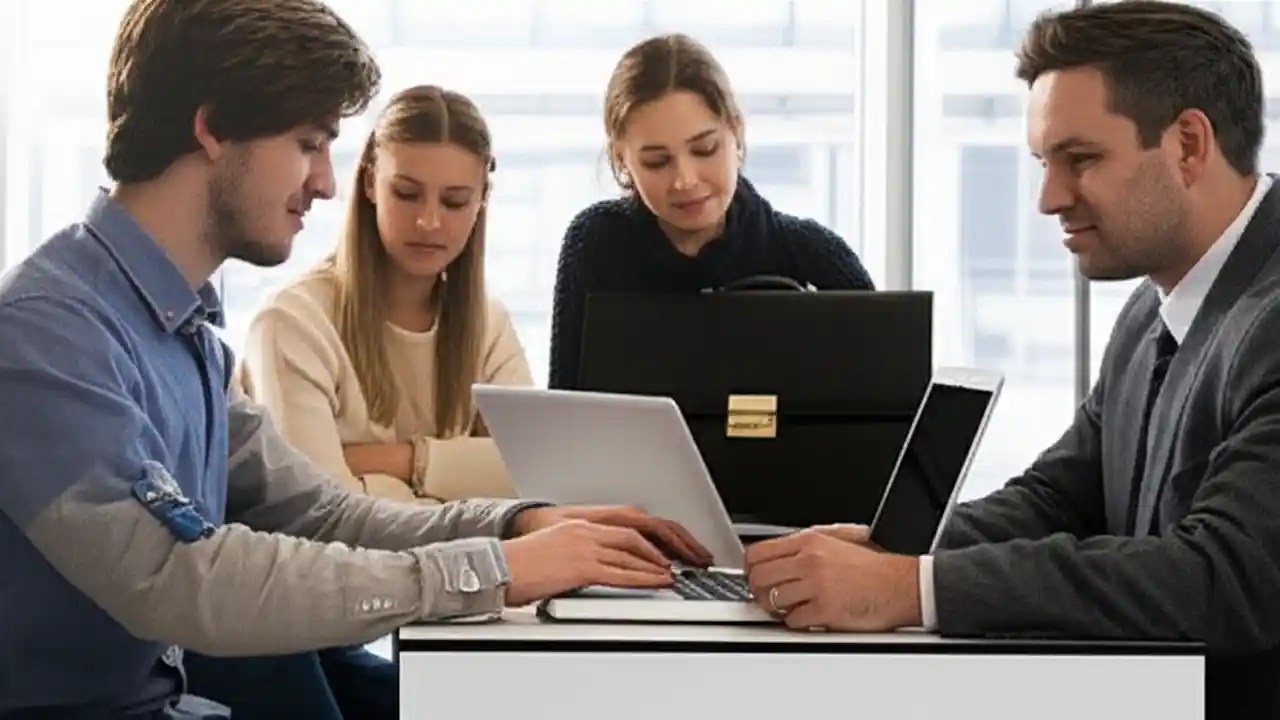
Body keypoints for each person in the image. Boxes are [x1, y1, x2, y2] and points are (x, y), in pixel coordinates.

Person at [0, 2, 711, 718]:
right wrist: (488, 572)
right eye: (309, 143)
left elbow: (321, 513)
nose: (327, 183)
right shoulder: (49, 333)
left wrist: (519, 526)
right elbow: (180, 578)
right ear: (212, 127)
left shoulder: (183, 337)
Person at [742, 2, 1280, 715]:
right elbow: (1062, 495)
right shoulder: (1154, 307)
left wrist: (910, 589)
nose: (1049, 198)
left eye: (1080, 159)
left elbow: (1224, 577)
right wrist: (894, 548)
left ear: (1187, 145)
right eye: (1043, 162)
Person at [239, 85, 529, 505]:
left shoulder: (489, 324)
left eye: (454, 201)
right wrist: (458, 485)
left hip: (477, 570)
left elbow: (531, 477)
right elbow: (321, 515)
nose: (429, 221)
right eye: (407, 194)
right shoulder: (291, 323)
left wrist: (402, 463)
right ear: (371, 183)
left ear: (481, 200)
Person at [547, 33, 875, 389]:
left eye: (704, 149)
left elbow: (889, 413)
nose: (685, 180)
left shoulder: (813, 256)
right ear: (621, 160)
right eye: (657, 162)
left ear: (736, 133)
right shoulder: (595, 245)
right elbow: (566, 414)